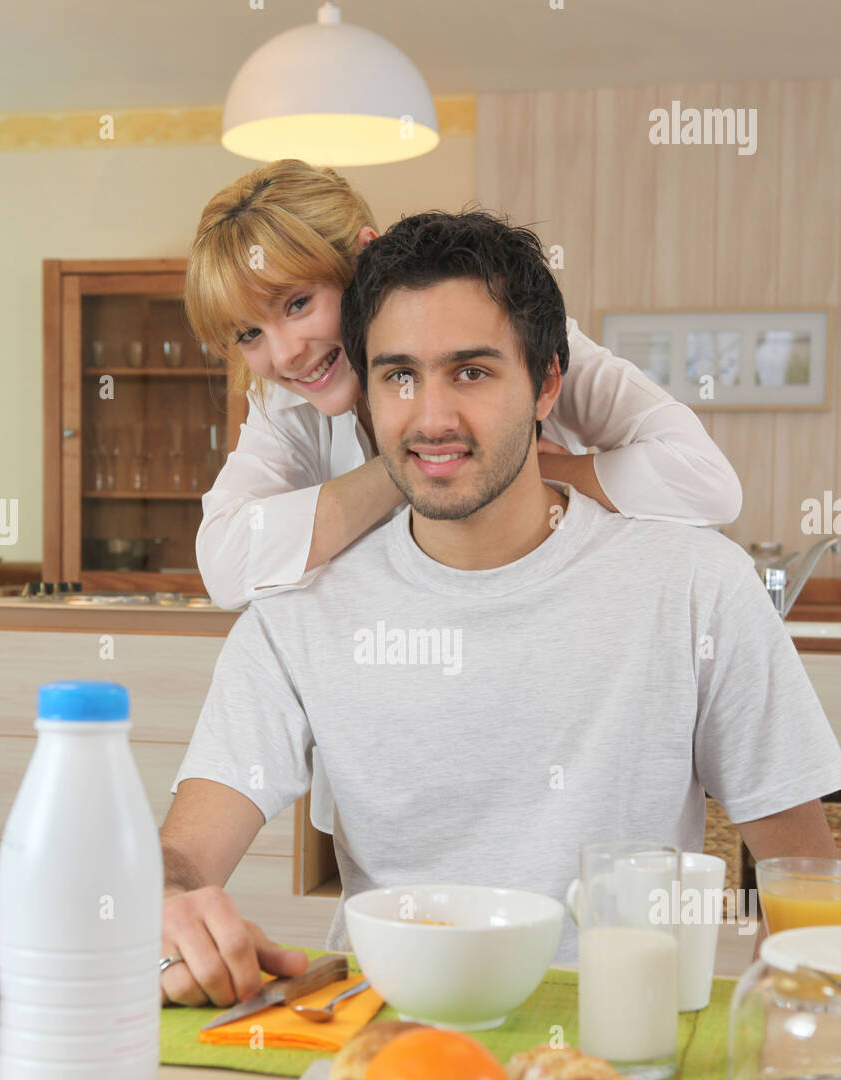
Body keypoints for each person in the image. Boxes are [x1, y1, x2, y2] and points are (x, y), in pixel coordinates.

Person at [159, 209, 840, 1010]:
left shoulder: (698, 587)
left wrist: (781, 1053)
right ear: (365, 395)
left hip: (624, 1043)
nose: (433, 417)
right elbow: (184, 854)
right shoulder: (294, 615)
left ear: (549, 382)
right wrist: (169, 897)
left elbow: (809, 881)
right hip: (375, 1040)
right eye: (399, 376)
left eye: (473, 372)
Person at [183, 160, 744, 836]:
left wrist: (535, 465)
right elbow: (227, 562)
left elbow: (705, 481)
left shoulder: (520, 340)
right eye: (250, 334)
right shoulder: (285, 408)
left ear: (364, 260)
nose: (285, 353)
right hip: (399, 730)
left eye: (298, 304)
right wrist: (426, 462)